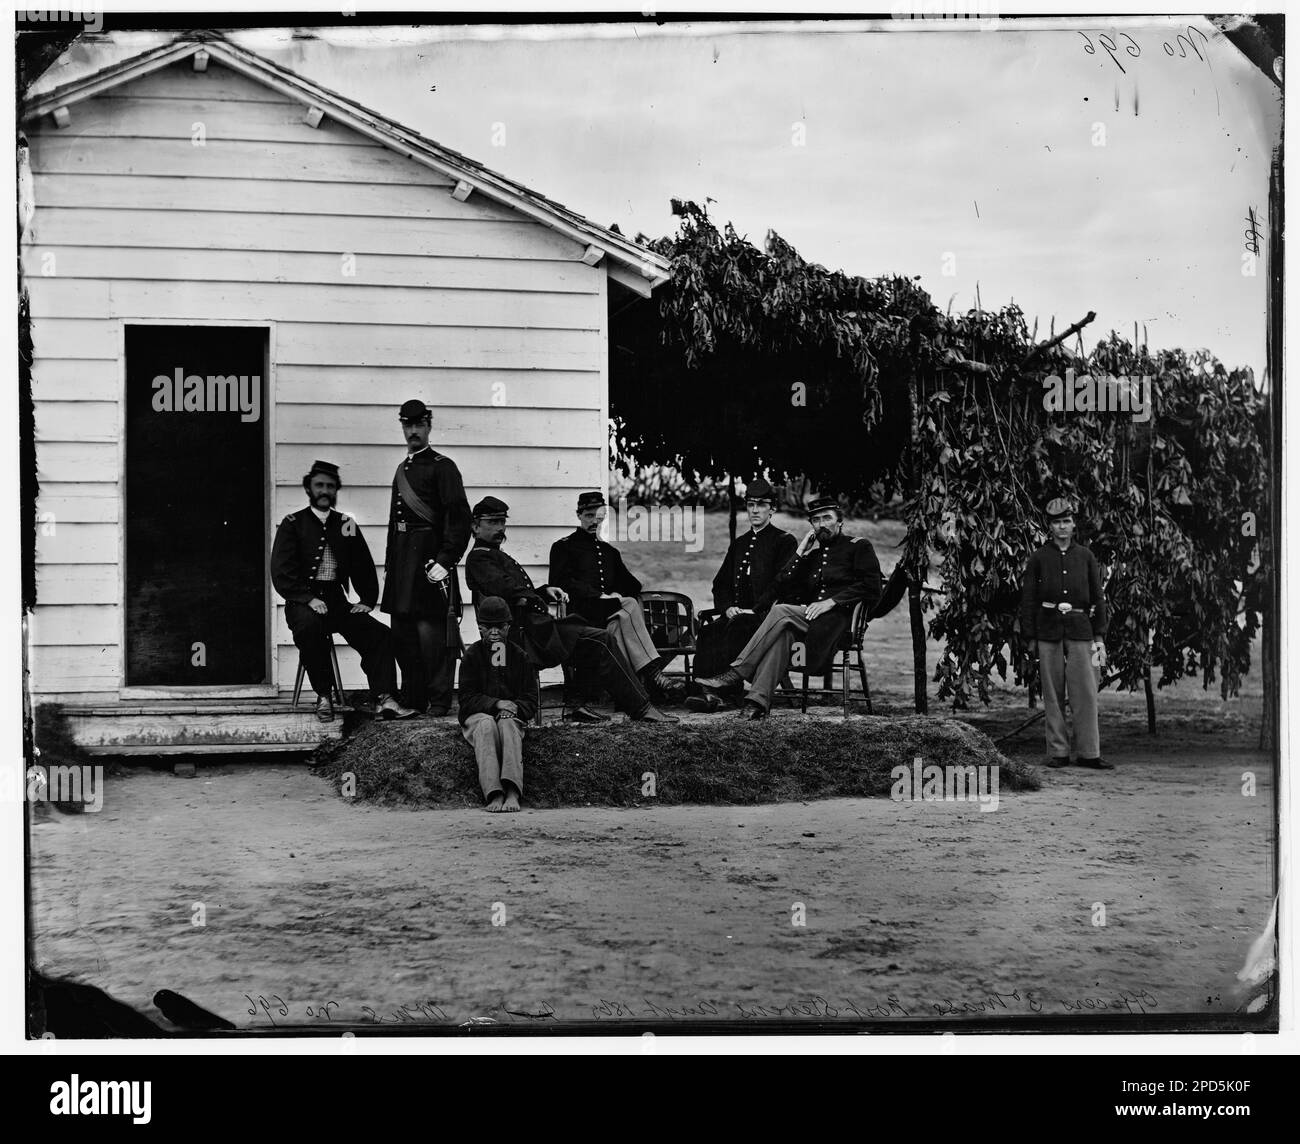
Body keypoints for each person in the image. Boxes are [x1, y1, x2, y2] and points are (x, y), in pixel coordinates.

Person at [464, 496, 678, 723]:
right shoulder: (479, 559)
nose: (500, 528)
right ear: (475, 526)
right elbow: (505, 588)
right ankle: (640, 708)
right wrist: (537, 602)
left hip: (536, 631)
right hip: (523, 637)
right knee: (598, 639)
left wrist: (546, 591)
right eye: (492, 522)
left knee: (597, 637)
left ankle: (590, 705)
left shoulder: (493, 554)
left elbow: (515, 590)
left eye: (502, 522)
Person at [694, 496, 883, 720]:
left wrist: (831, 602)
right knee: (782, 636)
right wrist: (800, 551)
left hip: (837, 624)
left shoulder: (858, 546)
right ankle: (756, 704)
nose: (822, 524)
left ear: (839, 521)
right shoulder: (812, 556)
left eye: (827, 518)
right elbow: (782, 583)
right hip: (810, 622)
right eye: (816, 520)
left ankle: (737, 671)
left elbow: (872, 586)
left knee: (781, 610)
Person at [271, 460, 415, 723]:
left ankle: (385, 698)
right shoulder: (293, 523)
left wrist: (367, 600)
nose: (324, 491)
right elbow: (281, 572)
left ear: (336, 489)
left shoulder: (346, 523)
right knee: (309, 629)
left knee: (379, 634)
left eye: (330, 486)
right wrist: (308, 599)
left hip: (337, 600)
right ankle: (324, 696)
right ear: (308, 488)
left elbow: (362, 564)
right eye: (319, 485)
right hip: (302, 601)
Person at [380, 399, 472, 716]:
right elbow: (394, 525)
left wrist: (445, 560)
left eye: (419, 425)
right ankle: (414, 698)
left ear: (429, 426)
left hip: (431, 562)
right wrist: (391, 566)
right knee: (404, 635)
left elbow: (459, 518)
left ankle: (439, 700)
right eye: (408, 425)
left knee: (434, 637)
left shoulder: (443, 467)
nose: (413, 431)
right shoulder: (401, 469)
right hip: (404, 563)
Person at [547, 491, 684, 702]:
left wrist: (617, 594)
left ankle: (629, 694)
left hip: (611, 616)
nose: (594, 521)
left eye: (599, 516)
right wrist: (599, 595)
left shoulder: (609, 552)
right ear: (579, 515)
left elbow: (632, 585)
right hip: (583, 615)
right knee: (627, 605)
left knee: (619, 623)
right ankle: (653, 675)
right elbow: (560, 583)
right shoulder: (563, 547)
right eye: (589, 516)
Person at [687, 477, 798, 712]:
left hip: (766, 617)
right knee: (708, 632)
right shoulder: (740, 543)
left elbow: (782, 584)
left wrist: (755, 609)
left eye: (761, 504)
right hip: (736, 613)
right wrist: (726, 606)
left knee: (738, 626)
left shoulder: (783, 541)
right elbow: (721, 583)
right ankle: (705, 692)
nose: (755, 510)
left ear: (772, 509)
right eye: (750, 504)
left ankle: (724, 693)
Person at [1019, 497, 1112, 769]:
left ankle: (1089, 753)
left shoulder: (1086, 557)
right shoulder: (1038, 558)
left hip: (1081, 631)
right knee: (1052, 692)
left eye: (1067, 522)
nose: (1062, 527)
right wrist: (1030, 637)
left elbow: (1098, 597)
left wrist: (1099, 636)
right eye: (1057, 522)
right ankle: (1058, 752)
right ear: (1049, 526)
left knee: (1086, 691)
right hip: (1047, 631)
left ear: (1074, 525)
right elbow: (1028, 599)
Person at [458, 597, 538, 812]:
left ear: (508, 627)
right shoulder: (472, 656)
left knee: (507, 725)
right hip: (478, 716)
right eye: (487, 628)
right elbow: (465, 699)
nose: (494, 633)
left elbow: (531, 699)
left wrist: (513, 708)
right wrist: (496, 704)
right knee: (486, 726)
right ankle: (494, 792)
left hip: (509, 715)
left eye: (500, 627)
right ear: (479, 628)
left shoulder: (519, 657)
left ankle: (512, 791)